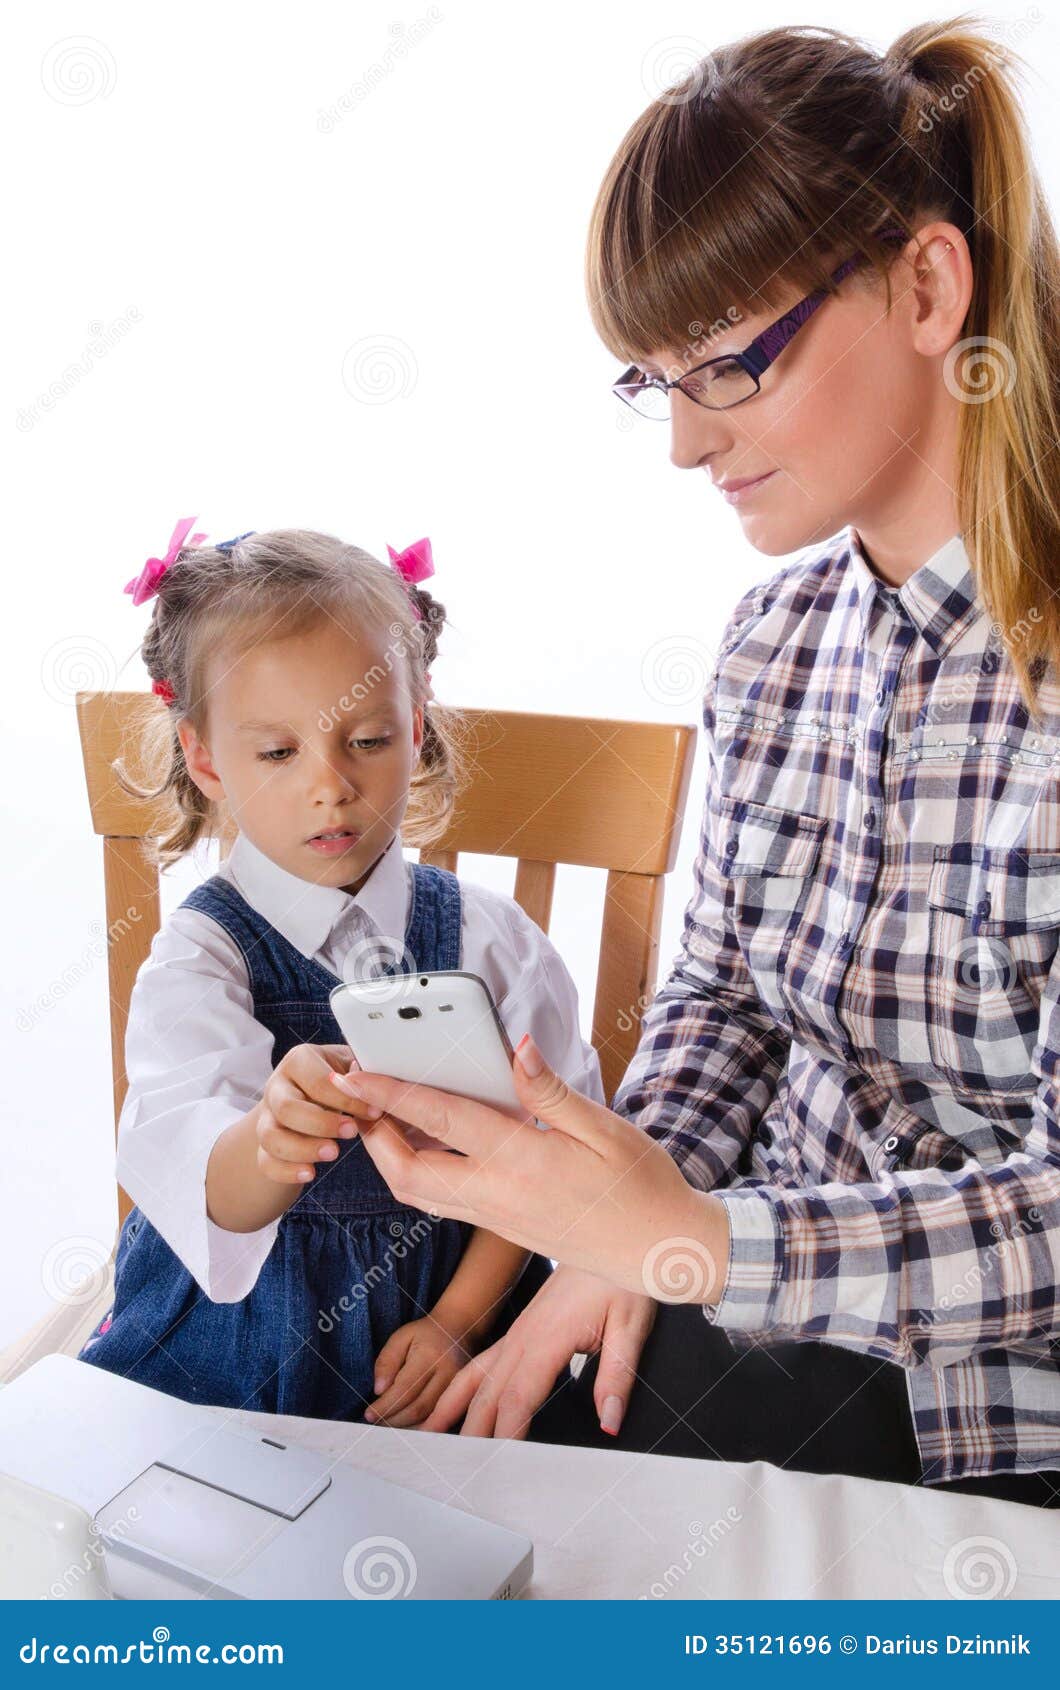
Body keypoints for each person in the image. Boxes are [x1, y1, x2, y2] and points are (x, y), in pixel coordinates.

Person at [332, 19, 1060, 1506]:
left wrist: (693, 1245)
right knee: (391, 1440)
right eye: (652, 378)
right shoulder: (773, 642)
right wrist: (611, 1233)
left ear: (929, 288)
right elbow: (726, 1000)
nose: (682, 441)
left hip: (989, 1407)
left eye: (728, 361)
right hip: (754, 1294)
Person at [78, 522, 603, 1425]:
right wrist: (271, 1139)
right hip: (229, 1360)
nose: (331, 786)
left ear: (417, 723)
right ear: (205, 756)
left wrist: (456, 1325)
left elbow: (554, 1168)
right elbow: (210, 1194)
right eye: (278, 753)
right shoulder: (204, 959)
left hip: (445, 1343)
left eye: (366, 739)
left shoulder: (490, 939)